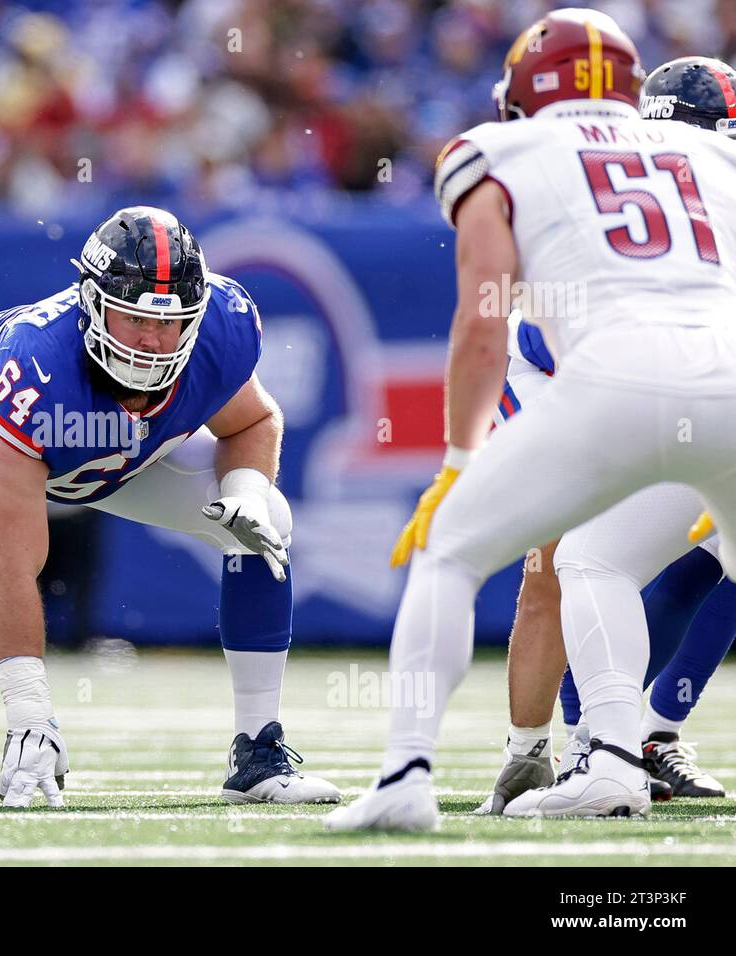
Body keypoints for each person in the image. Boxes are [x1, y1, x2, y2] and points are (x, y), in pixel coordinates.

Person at [327, 9, 736, 830]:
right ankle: (616, 751)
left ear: (521, 94)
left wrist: (455, 457)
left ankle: (420, 777)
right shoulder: (714, 151)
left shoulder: (499, 151)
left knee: (473, 551)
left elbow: (483, 319)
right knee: (598, 557)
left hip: (615, 376)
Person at [0, 205, 339, 808]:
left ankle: (259, 751)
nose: (154, 340)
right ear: (93, 305)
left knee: (270, 521)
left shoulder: (219, 330)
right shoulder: (34, 368)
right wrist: (29, 716)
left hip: (120, 452)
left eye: (171, 323)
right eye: (134, 320)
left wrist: (245, 493)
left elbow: (256, 419)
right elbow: (8, 567)